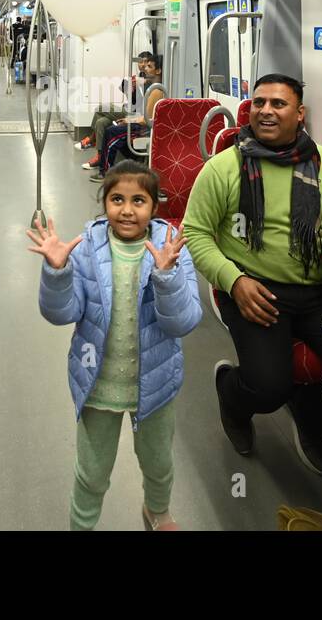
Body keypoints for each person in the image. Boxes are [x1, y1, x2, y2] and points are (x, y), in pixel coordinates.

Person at [183, 73, 322, 476]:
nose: (266, 111)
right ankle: (231, 394)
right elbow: (195, 232)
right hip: (254, 287)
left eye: (278, 104)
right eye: (259, 102)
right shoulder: (225, 167)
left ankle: (310, 419)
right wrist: (233, 280)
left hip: (320, 289)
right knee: (268, 387)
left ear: (300, 113)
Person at [29, 160, 201, 531]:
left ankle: (157, 511)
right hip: (98, 387)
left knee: (158, 463)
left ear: (154, 206)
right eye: (117, 199)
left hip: (155, 385)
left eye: (138, 200)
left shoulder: (171, 249)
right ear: (104, 202)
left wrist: (167, 277)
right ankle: (82, 525)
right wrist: (57, 273)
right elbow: (63, 313)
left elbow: (183, 321)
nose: (126, 210)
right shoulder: (86, 250)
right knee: (91, 472)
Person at [88, 55, 165, 179]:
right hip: (139, 121)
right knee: (103, 122)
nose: (145, 68)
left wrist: (128, 120)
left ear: (158, 71)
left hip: (143, 128)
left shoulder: (156, 91)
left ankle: (105, 173)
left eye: (149, 66)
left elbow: (147, 120)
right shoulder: (151, 86)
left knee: (111, 133)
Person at [74, 51, 155, 153]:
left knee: (101, 108)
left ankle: (91, 139)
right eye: (140, 62)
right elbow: (125, 91)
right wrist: (131, 87)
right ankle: (100, 154)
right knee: (100, 122)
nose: (143, 65)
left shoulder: (150, 81)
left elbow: (142, 105)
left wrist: (142, 82)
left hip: (135, 114)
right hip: (128, 108)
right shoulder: (139, 77)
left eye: (146, 62)